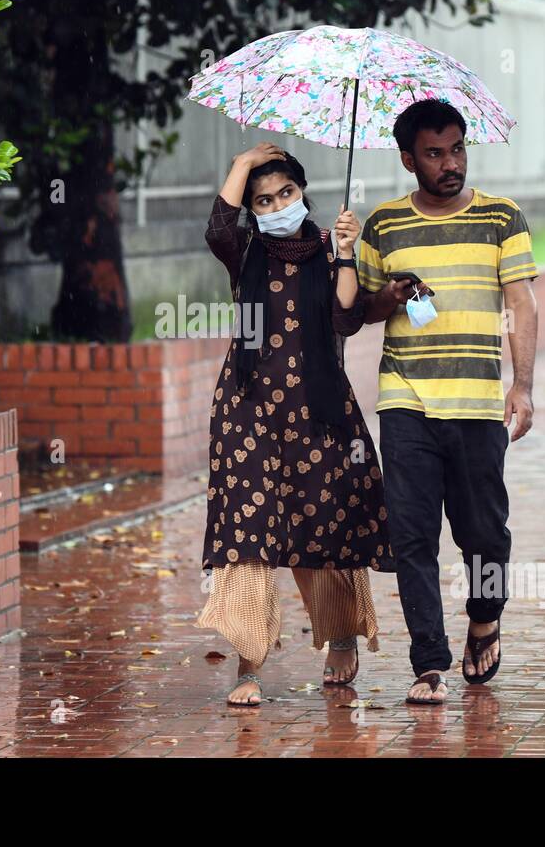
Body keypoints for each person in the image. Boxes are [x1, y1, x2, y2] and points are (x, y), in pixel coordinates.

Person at [196, 142, 394, 707]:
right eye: (263, 199)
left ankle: (341, 638)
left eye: (286, 192)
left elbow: (346, 319)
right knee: (248, 535)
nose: (277, 204)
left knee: (324, 526)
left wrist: (349, 253)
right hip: (248, 412)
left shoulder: (331, 246)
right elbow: (217, 228)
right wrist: (237, 164)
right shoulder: (245, 253)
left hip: (320, 413)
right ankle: (249, 665)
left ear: (302, 191)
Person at [355, 100, 538, 704]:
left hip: (478, 401)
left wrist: (523, 384)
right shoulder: (383, 226)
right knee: (410, 533)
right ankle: (427, 663)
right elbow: (355, 313)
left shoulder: (500, 217)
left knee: (484, 531)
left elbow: (522, 302)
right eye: (434, 154)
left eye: (457, 149)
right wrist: (388, 294)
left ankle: (484, 616)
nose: (449, 163)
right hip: (404, 396)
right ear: (409, 160)